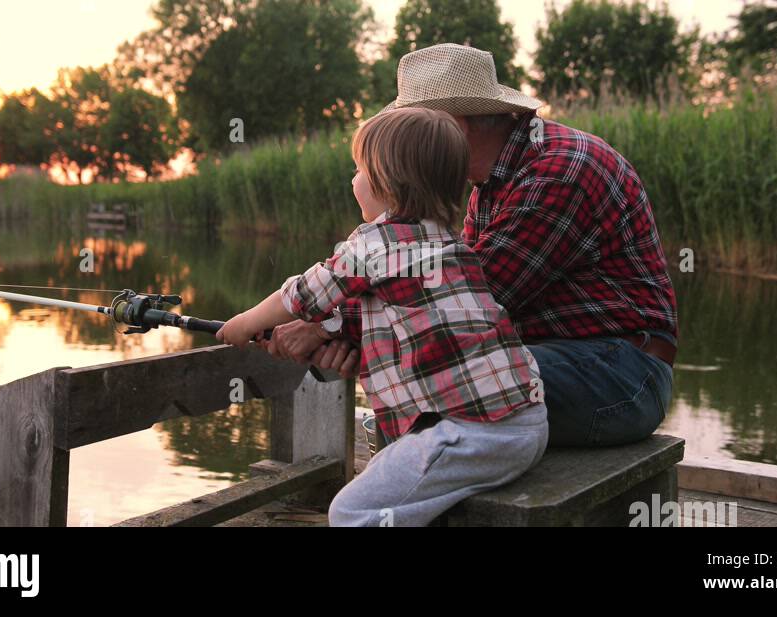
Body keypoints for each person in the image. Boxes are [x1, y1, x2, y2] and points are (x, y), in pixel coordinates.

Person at [266, 43, 678, 448]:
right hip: (566, 362)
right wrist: (349, 334)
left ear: (455, 128)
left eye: (417, 133)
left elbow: (470, 300)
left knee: (433, 383)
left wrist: (324, 324)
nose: (405, 153)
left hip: (620, 376)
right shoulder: (493, 178)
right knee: (422, 373)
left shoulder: (556, 173)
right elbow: (439, 291)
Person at [217, 107, 548, 526]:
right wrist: (331, 330)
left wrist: (244, 323)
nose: (352, 179)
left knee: (351, 510)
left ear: (385, 181)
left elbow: (303, 294)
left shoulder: (374, 244)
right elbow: (389, 317)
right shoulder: (449, 242)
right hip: (526, 424)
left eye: (358, 169)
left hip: (474, 434)